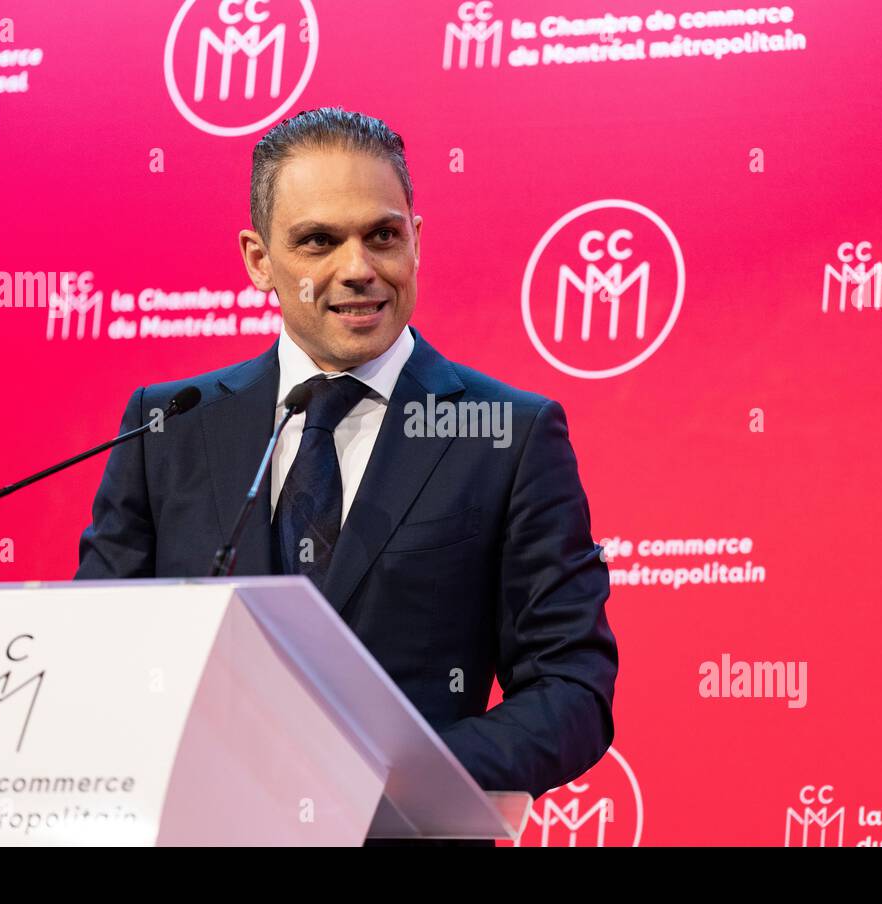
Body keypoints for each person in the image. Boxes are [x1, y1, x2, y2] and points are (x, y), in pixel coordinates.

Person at [75, 107, 618, 845]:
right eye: (319, 241)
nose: (358, 268)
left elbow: (572, 690)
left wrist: (399, 777)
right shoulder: (168, 426)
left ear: (416, 241)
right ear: (259, 259)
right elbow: (100, 654)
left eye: (383, 235)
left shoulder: (511, 435)